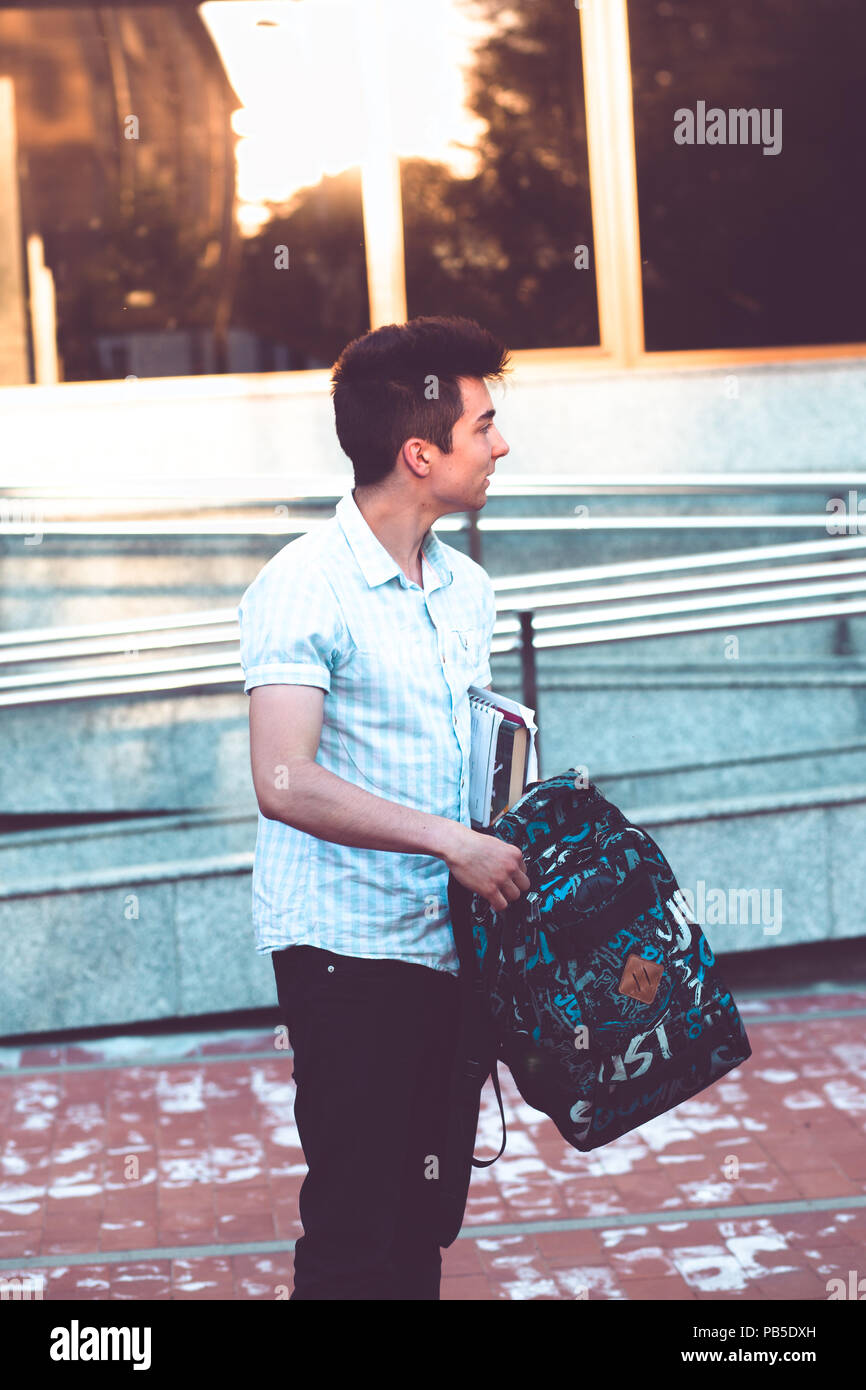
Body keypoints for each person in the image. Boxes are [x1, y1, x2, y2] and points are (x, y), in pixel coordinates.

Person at [237, 315, 530, 1300]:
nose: (499, 443)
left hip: (447, 948)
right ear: (419, 451)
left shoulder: (467, 590)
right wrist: (449, 840)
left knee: (420, 1223)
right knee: (355, 1232)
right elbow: (281, 779)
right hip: (345, 953)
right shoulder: (301, 586)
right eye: (481, 425)